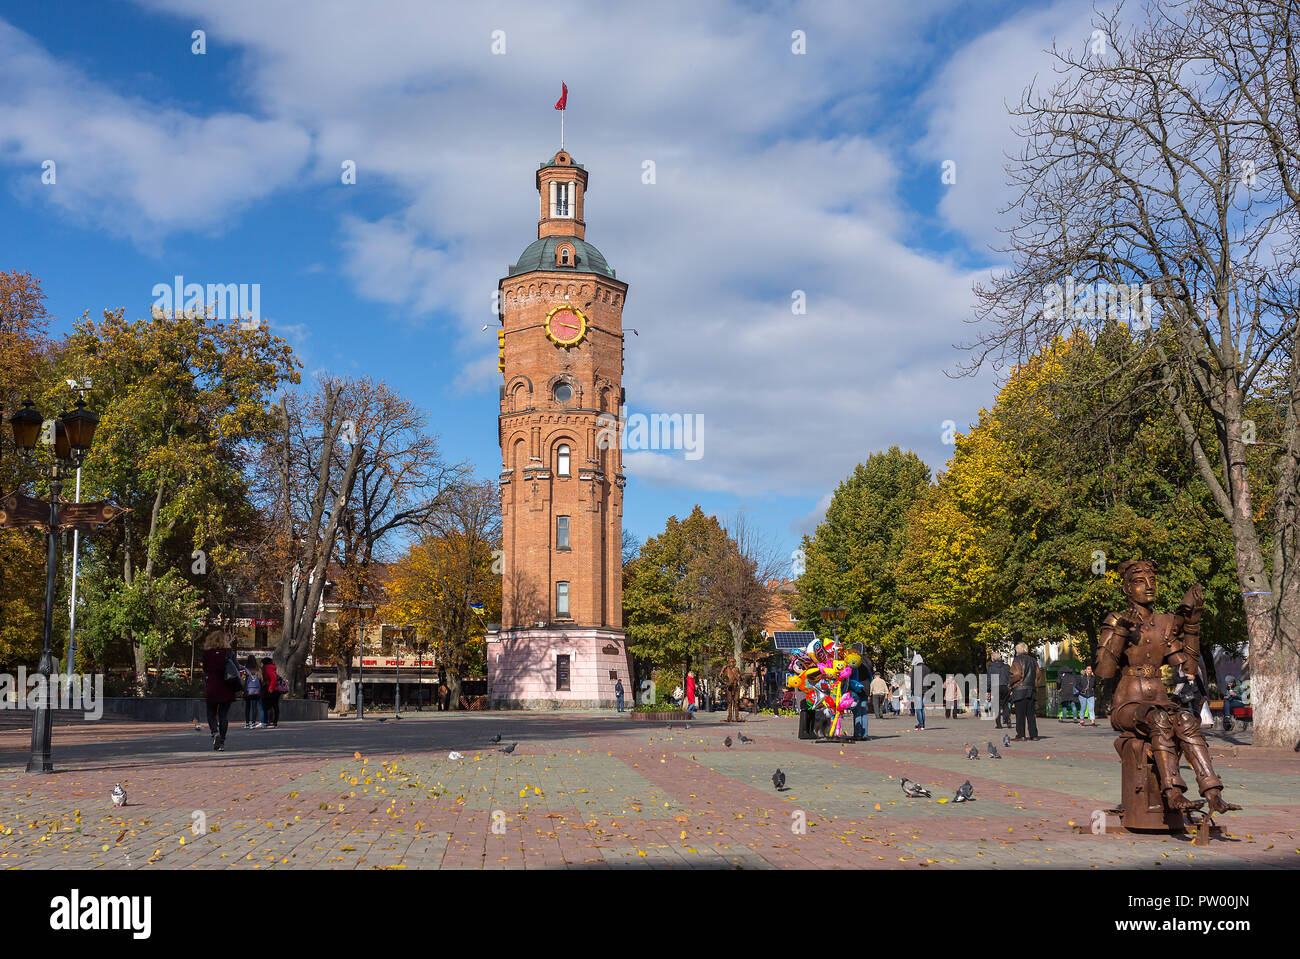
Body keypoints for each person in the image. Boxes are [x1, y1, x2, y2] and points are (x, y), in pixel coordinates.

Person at [201, 630, 239, 751]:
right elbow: (236, 667)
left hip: (212, 685)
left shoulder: (207, 653)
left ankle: (214, 732)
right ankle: (222, 741)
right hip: (226, 687)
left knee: (211, 713)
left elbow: (205, 668)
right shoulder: (228, 652)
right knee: (223, 715)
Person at [1008, 642, 1039, 741]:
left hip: (1020, 689)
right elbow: (1038, 674)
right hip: (1031, 689)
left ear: (1018, 650)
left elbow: (1016, 674)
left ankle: (1021, 735)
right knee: (1031, 714)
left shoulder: (1017, 660)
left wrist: (1010, 683)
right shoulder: (1033, 660)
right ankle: (1034, 735)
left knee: (1020, 714)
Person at [987, 651, 1011, 729]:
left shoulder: (991, 667)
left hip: (995, 687)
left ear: (993, 659)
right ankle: (1008, 720)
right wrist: (1010, 687)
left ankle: (999, 725)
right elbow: (1010, 677)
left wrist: (988, 690)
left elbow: (989, 679)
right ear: (1000, 658)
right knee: (1005, 704)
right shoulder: (1006, 666)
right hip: (1005, 687)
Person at [243, 654, 263, 729]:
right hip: (256, 691)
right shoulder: (258, 669)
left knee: (247, 707)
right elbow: (261, 679)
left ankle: (247, 723)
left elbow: (242, 679)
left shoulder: (246, 669)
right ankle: (253, 723)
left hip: (248, 691)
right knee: (254, 707)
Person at [261, 657, 281, 728]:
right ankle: (274, 722)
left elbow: (273, 678)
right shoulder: (272, 667)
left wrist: (271, 688)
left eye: (262, 663)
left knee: (270, 706)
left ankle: (271, 722)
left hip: (271, 689)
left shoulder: (268, 668)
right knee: (275, 706)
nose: (261, 665)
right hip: (275, 689)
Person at [911, 653, 929, 731]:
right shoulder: (927, 669)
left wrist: (912, 690)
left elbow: (913, 681)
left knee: (918, 708)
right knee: (922, 708)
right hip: (925, 690)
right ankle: (922, 724)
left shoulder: (915, 668)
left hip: (917, 690)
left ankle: (920, 724)